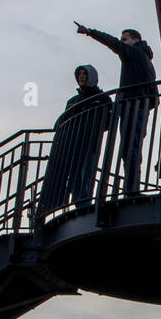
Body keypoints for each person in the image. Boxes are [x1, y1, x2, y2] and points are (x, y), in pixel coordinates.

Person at [74, 22, 156, 197]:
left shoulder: (133, 52)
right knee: (134, 148)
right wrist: (145, 106)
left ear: (135, 40)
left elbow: (112, 43)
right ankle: (131, 188)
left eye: (125, 39)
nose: (122, 42)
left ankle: (131, 190)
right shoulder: (148, 62)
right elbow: (154, 95)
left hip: (131, 108)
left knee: (128, 150)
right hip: (140, 110)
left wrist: (90, 32)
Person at [38, 64, 111, 214]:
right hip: (72, 145)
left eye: (85, 74)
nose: (82, 77)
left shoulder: (102, 99)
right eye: (80, 74)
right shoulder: (73, 101)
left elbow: (107, 123)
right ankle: (78, 206)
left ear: (92, 77)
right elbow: (64, 123)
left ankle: (83, 208)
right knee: (74, 180)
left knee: (86, 177)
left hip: (90, 144)